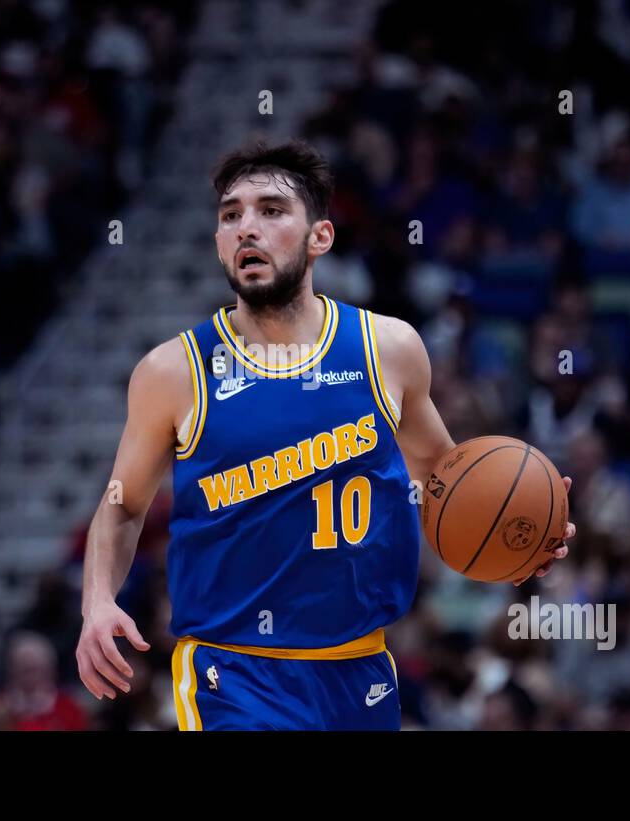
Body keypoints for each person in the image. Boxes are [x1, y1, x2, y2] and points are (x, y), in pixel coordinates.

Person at [76, 139, 576, 730]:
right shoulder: (173, 372)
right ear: (217, 244)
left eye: (271, 210)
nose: (246, 228)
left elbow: (449, 486)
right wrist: (98, 602)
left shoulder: (388, 349)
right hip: (233, 677)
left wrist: (515, 537)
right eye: (231, 215)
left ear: (321, 238)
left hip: (360, 675)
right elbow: (122, 505)